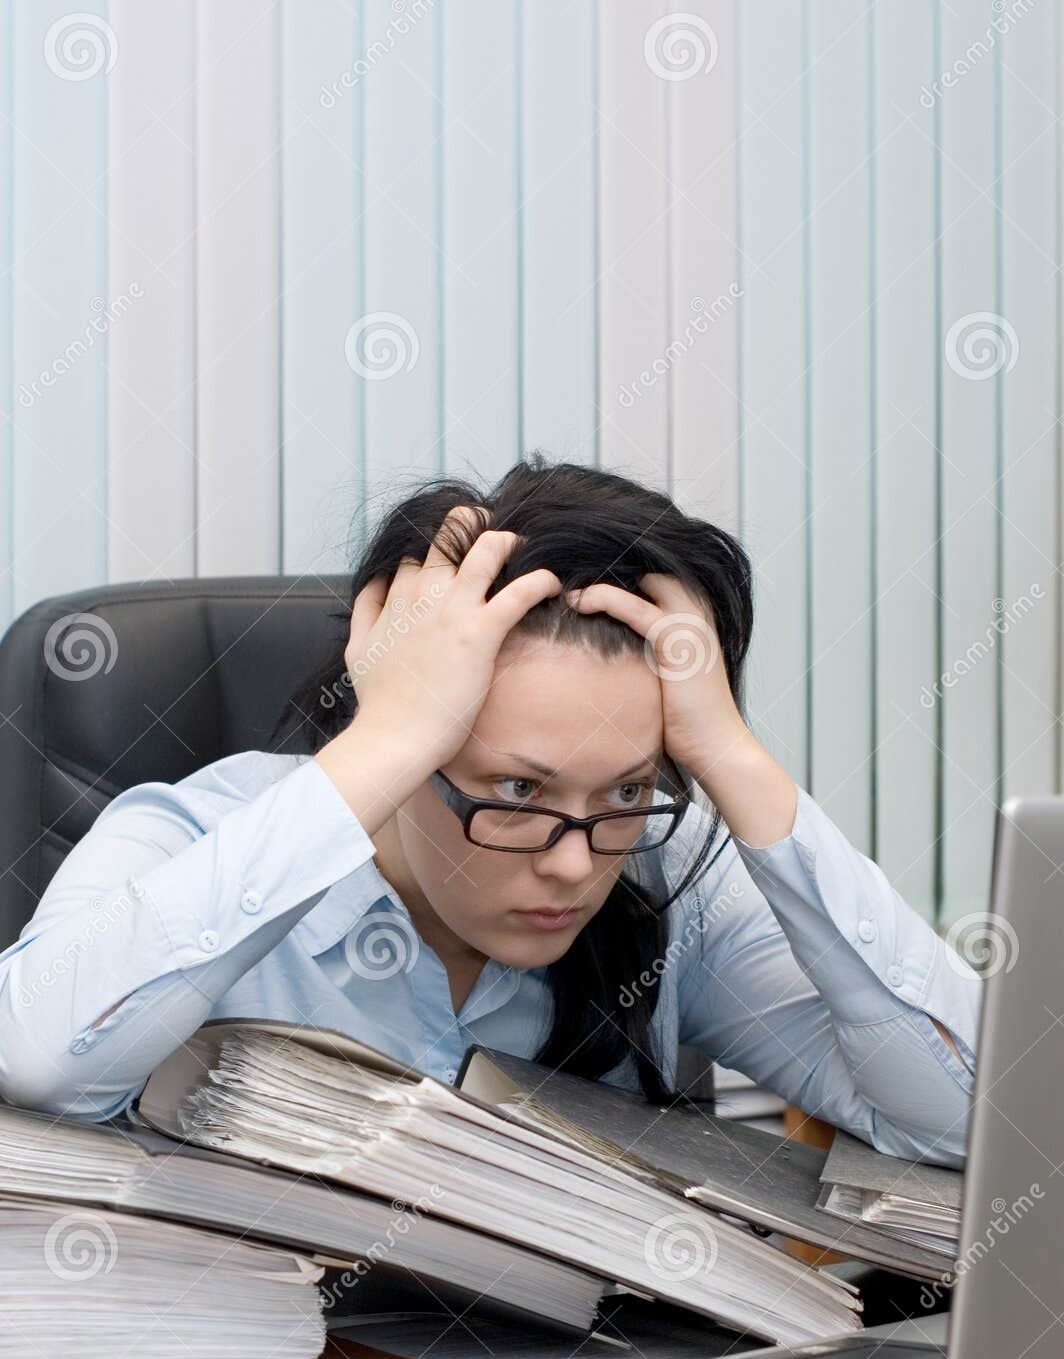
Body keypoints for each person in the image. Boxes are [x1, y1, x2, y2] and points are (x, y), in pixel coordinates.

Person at [0, 458, 979, 1163]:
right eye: (516, 791)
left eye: (626, 789)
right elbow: (39, 1063)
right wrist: (384, 743)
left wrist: (730, 758)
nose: (570, 863)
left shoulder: (667, 870)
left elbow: (971, 1116)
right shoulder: (192, 835)